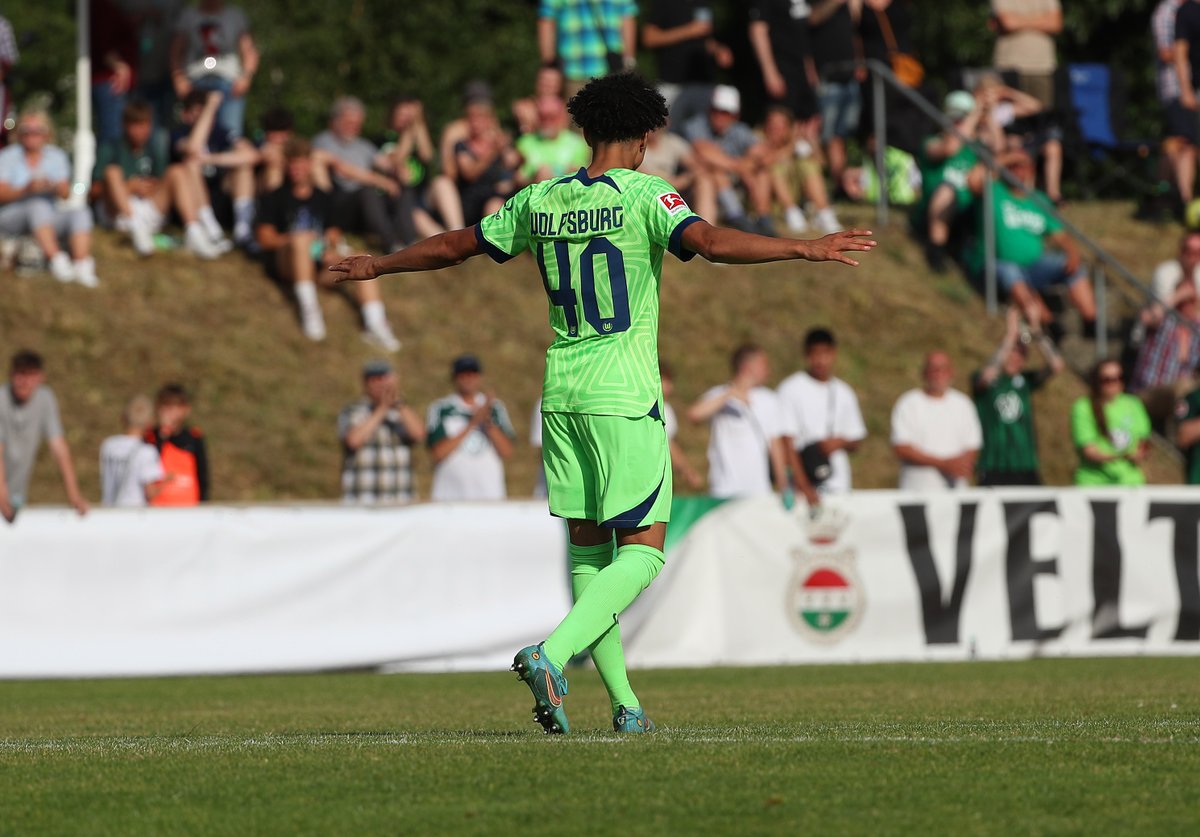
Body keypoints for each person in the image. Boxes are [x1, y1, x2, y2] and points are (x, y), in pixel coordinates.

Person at [330, 72, 874, 735]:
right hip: (622, 393)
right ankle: (551, 655)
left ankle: (625, 705)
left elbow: (455, 246)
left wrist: (378, 266)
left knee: (590, 554)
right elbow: (708, 242)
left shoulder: (539, 198)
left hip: (561, 393)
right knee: (642, 551)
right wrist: (803, 246)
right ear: (645, 138)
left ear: (584, 130)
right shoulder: (649, 194)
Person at [255, 136, 400, 350]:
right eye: (292, 165)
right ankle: (309, 309)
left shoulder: (324, 198)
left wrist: (329, 249)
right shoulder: (275, 197)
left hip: (318, 262)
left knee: (363, 260)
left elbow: (333, 233)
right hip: (287, 263)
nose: (296, 170)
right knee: (301, 239)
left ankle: (376, 323)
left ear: (309, 165)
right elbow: (265, 239)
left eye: (301, 164)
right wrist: (298, 239)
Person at [965, 150, 1096, 332]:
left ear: (1031, 171)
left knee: (1073, 266)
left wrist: (1072, 253)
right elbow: (972, 180)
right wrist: (1007, 157)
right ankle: (1049, 326)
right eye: (1013, 167)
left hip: (1033, 265)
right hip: (995, 264)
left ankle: (1092, 323)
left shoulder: (1038, 199)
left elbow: (1059, 233)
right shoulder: (994, 191)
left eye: (1022, 167)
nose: (1018, 171)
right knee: (1012, 273)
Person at [91, 99, 223, 259]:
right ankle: (137, 229)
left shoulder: (152, 149)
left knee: (177, 171)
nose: (142, 131)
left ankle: (194, 230)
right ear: (125, 125)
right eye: (137, 125)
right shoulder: (110, 148)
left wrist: (151, 187)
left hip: (147, 208)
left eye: (145, 125)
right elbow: (94, 192)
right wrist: (128, 187)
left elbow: (161, 182)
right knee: (112, 171)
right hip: (117, 214)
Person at [0, 110, 101, 287]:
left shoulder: (57, 156)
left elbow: (65, 192)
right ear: (19, 133)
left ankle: (81, 263)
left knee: (80, 212)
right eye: (26, 130)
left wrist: (53, 186)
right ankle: (57, 260)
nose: (32, 134)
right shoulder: (7, 156)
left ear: (46, 133)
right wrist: (26, 190)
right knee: (37, 204)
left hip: (48, 215)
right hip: (11, 216)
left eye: (37, 130)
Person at [687, 343, 793, 501]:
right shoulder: (719, 394)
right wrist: (729, 394)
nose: (768, 370)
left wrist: (784, 485)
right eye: (763, 364)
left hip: (758, 490)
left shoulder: (769, 399)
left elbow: (775, 445)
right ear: (747, 367)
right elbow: (693, 415)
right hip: (724, 489)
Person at [971, 306, 1064, 486]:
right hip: (994, 464)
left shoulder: (1025, 382)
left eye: (1021, 355)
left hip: (1025, 464)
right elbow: (988, 374)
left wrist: (1037, 331)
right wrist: (1010, 335)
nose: (1016, 359)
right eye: (1012, 353)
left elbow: (1056, 365)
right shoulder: (986, 382)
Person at [0, 350, 90, 522]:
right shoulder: (1, 399)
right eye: (20, 375)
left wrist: (74, 495)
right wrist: (1, 496)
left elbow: (59, 448)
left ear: (41, 377)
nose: (25, 382)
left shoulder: (45, 399)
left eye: (31, 375)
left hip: (16, 493)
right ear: (11, 375)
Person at [777, 327, 867, 496]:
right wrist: (803, 486)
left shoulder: (843, 391)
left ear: (833, 354)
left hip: (839, 483)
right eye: (814, 354)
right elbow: (785, 441)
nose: (820, 360)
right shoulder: (790, 389)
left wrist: (839, 442)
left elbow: (856, 438)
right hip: (803, 485)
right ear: (806, 354)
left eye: (825, 353)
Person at [682, 85, 774, 233]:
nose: (719, 116)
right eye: (716, 110)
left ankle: (764, 218)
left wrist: (746, 166)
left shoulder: (740, 130)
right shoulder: (696, 125)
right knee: (715, 171)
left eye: (725, 112)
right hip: (696, 183)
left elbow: (763, 154)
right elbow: (703, 152)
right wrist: (742, 166)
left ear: (735, 115)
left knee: (761, 172)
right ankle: (737, 217)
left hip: (734, 179)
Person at [426, 354, 516, 501]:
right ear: (454, 377)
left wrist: (487, 423)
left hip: (490, 496)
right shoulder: (441, 408)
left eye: (472, 374)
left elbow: (507, 451)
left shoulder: (495, 408)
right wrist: (472, 423)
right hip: (450, 498)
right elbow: (438, 453)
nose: (468, 379)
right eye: (463, 374)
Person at [891, 350, 982, 491]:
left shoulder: (963, 404)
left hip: (955, 493)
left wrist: (959, 465)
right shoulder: (908, 403)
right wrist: (943, 464)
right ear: (924, 373)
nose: (939, 374)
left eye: (944, 369)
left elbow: (972, 445)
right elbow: (902, 448)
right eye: (934, 369)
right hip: (916, 493)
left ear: (952, 372)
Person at [338, 359, 426, 505]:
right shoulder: (353, 411)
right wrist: (382, 408)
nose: (380, 384)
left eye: (384, 379)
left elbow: (419, 434)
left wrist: (398, 404)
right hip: (364, 500)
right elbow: (353, 440)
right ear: (365, 384)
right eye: (374, 380)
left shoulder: (402, 413)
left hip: (401, 500)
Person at [168, 0, 258, 140]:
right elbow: (176, 49)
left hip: (229, 83)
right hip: (195, 82)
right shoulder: (189, 15)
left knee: (230, 136)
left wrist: (246, 77)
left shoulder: (235, 15)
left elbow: (248, 50)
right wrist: (178, 77)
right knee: (194, 135)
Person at [642, 0, 734, 130]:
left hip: (703, 84)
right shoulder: (664, 3)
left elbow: (703, 39)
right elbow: (649, 38)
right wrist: (687, 31)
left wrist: (718, 50)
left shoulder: (704, 3)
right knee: (665, 132)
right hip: (672, 83)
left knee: (701, 133)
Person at [1071, 360, 1151, 486]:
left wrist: (1140, 453)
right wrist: (1121, 456)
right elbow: (1089, 451)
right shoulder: (1083, 407)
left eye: (1119, 378)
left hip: (1130, 483)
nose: (1114, 384)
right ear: (1097, 382)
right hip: (1094, 484)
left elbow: (1144, 440)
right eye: (1107, 380)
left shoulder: (1134, 404)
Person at [810, 0, 863, 186]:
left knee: (841, 135)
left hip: (849, 75)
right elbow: (812, 18)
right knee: (826, 135)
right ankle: (827, 183)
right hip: (827, 75)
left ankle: (840, 183)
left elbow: (856, 24)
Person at [538, 0, 638, 97]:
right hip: (612, 67)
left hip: (574, 68)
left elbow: (547, 21)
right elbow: (627, 19)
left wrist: (549, 64)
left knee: (576, 111)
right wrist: (628, 60)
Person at [1156, 0, 1195, 208]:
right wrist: (1189, 48)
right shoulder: (1167, 12)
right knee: (1184, 142)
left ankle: (1167, 191)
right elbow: (1165, 51)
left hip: (1192, 87)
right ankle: (1184, 200)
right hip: (1176, 88)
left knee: (1179, 142)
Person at [990, 0, 1061, 111]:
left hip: (1042, 67)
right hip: (1009, 65)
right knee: (1007, 114)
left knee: (1043, 114)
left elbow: (1055, 23)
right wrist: (1041, 19)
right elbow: (1009, 23)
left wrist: (1020, 20)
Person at [145, 383, 209, 506]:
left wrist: (203, 505)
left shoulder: (194, 437)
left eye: (176, 406)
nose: (170, 412)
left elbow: (203, 476)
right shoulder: (150, 437)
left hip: (188, 507)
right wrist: (163, 435)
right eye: (166, 406)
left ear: (185, 409)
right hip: (158, 507)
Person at [99, 395, 167, 507]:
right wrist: (167, 480)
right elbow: (150, 493)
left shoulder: (108, 445)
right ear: (148, 423)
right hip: (135, 514)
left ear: (123, 418)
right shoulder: (147, 451)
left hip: (109, 510)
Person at [515, 95, 590, 187]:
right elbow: (519, 178)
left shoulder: (577, 143)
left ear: (561, 117)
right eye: (542, 117)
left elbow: (579, 173)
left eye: (551, 117)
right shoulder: (525, 142)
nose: (547, 122)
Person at [660, 361, 703, 490]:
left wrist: (687, 470)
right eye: (666, 381)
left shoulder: (666, 409)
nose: (670, 387)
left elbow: (669, 444)